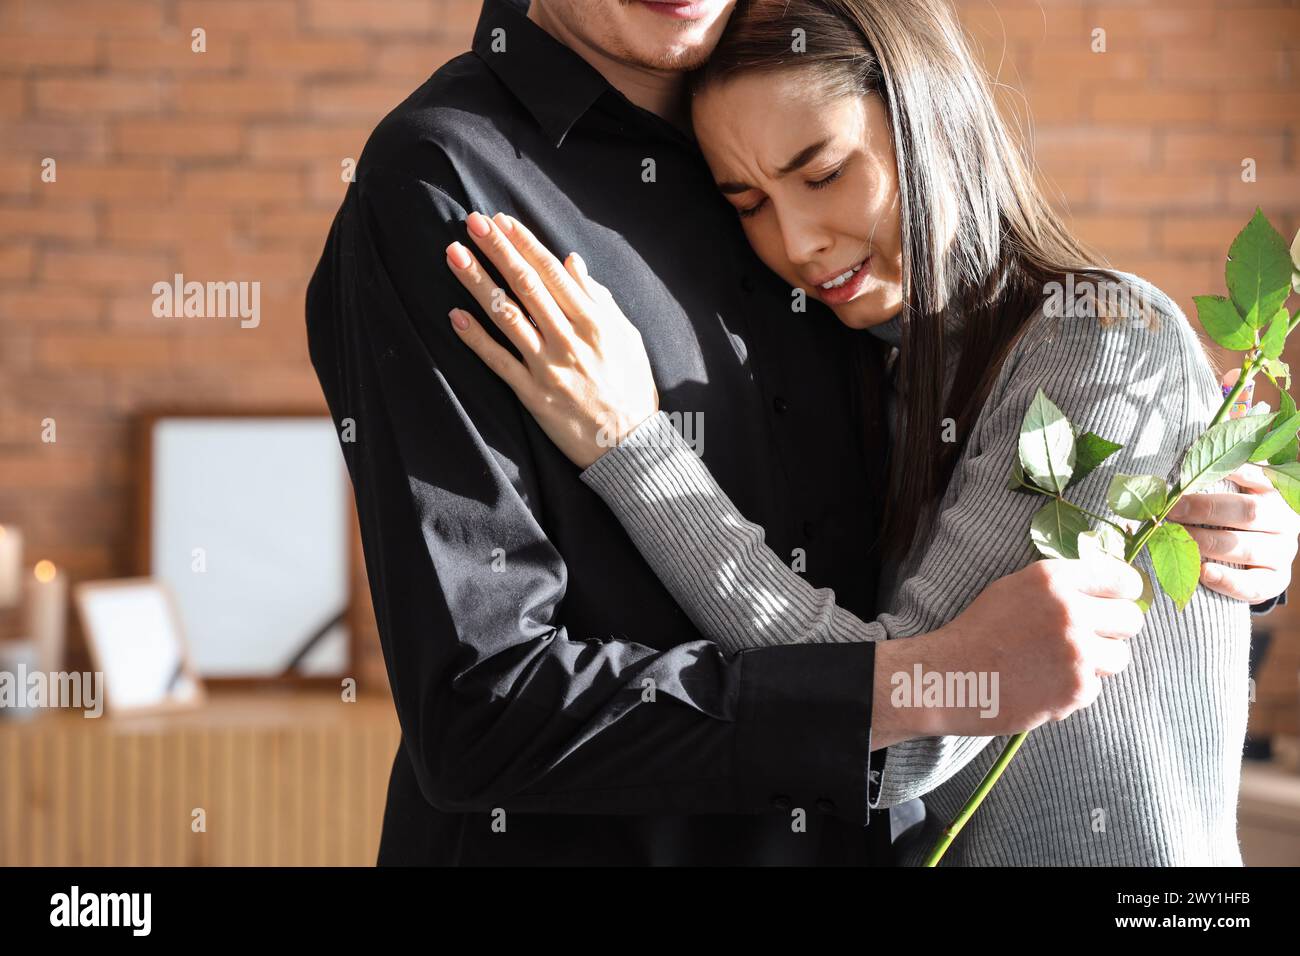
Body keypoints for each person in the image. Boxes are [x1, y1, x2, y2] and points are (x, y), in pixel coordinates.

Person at [306, 0, 1291, 865]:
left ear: (925, 117)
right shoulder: (445, 180)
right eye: (751, 204)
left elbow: (978, 673)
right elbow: (482, 706)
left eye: (820, 173)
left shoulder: (993, 316)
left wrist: (1221, 537)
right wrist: (906, 685)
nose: (795, 242)